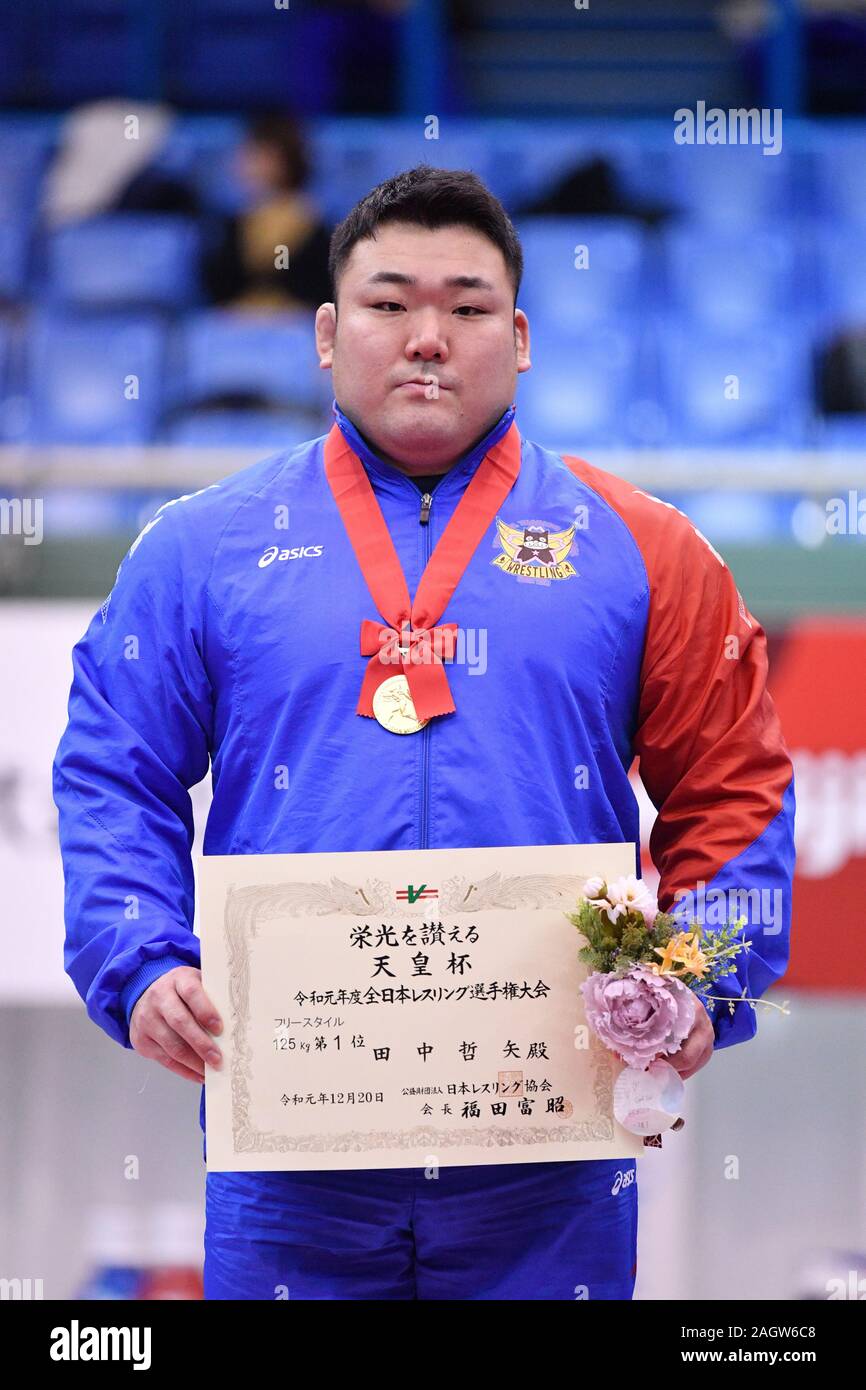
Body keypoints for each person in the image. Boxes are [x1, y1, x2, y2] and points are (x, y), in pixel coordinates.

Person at [53, 165, 796, 1301]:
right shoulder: (201, 548)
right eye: (388, 303)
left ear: (522, 334)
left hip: (546, 1142)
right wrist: (139, 955)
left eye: (466, 305)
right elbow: (111, 769)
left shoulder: (643, 549)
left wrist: (703, 975)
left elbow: (733, 786)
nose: (426, 338)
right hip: (291, 1137)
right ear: (324, 330)